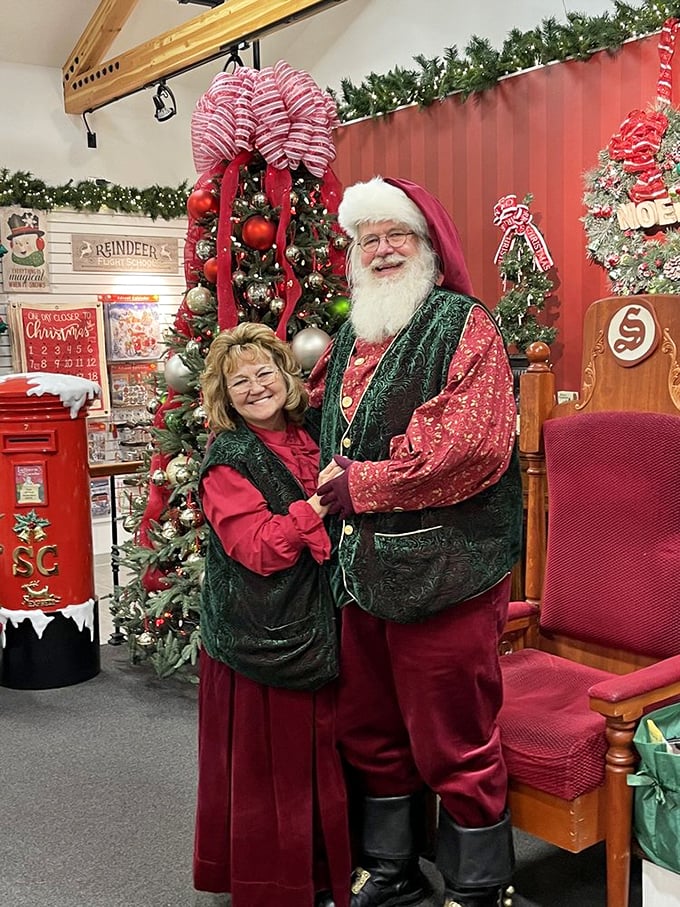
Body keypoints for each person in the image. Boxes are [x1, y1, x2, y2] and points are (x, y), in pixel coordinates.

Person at [307, 177, 523, 907]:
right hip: (362, 571)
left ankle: (478, 886)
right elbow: (320, 417)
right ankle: (391, 870)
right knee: (369, 727)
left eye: (396, 234)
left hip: (447, 573)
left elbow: (470, 447)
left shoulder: (464, 325)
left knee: (454, 737)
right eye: (368, 239)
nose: (382, 249)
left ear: (427, 244)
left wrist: (360, 483)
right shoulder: (352, 335)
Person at [195, 322, 351, 907]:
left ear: (287, 378)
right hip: (260, 639)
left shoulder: (313, 433)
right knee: (276, 770)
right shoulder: (227, 461)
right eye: (240, 382)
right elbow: (258, 548)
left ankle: (331, 872)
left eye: (265, 373)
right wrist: (318, 506)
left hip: (317, 625)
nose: (256, 388)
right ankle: (282, 885)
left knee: (325, 755)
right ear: (225, 397)